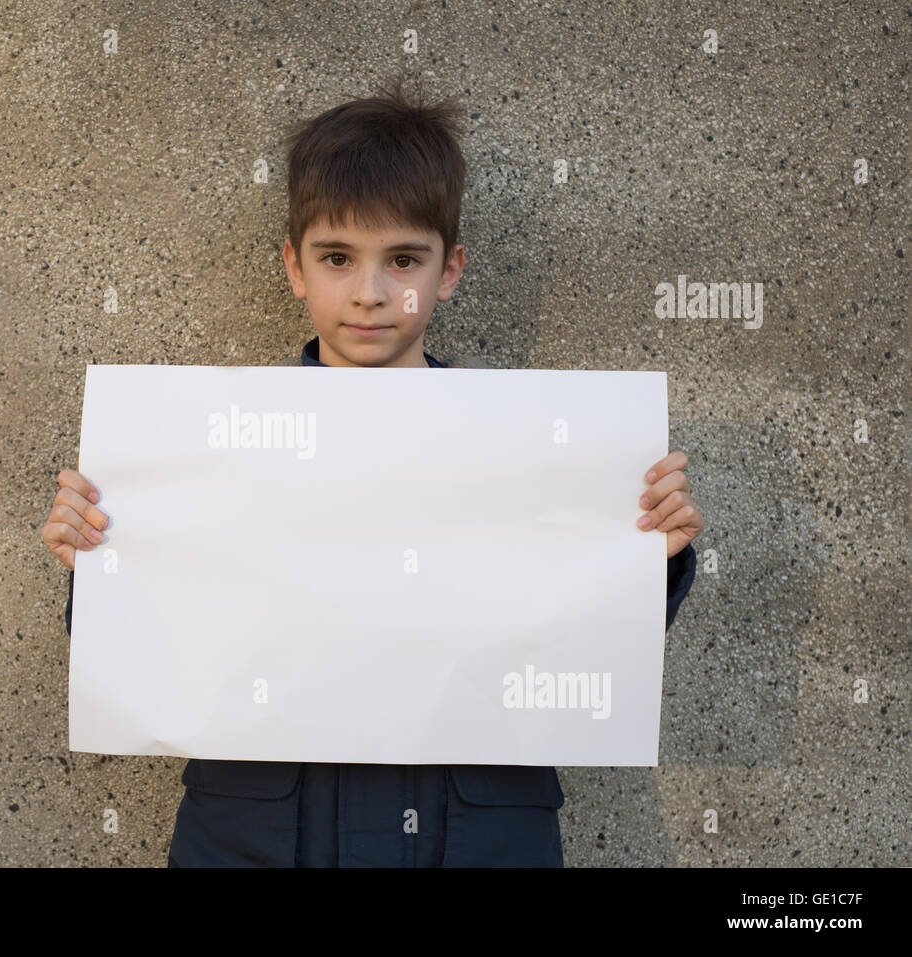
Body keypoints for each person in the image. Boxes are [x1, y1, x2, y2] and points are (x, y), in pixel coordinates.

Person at [41, 75, 705, 866]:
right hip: (259, 834)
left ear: (448, 271)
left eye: (402, 260)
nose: (371, 293)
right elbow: (154, 655)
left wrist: (642, 556)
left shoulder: (532, 452)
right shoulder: (205, 449)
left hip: (475, 835)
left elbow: (574, 656)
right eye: (337, 258)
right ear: (294, 267)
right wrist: (104, 556)